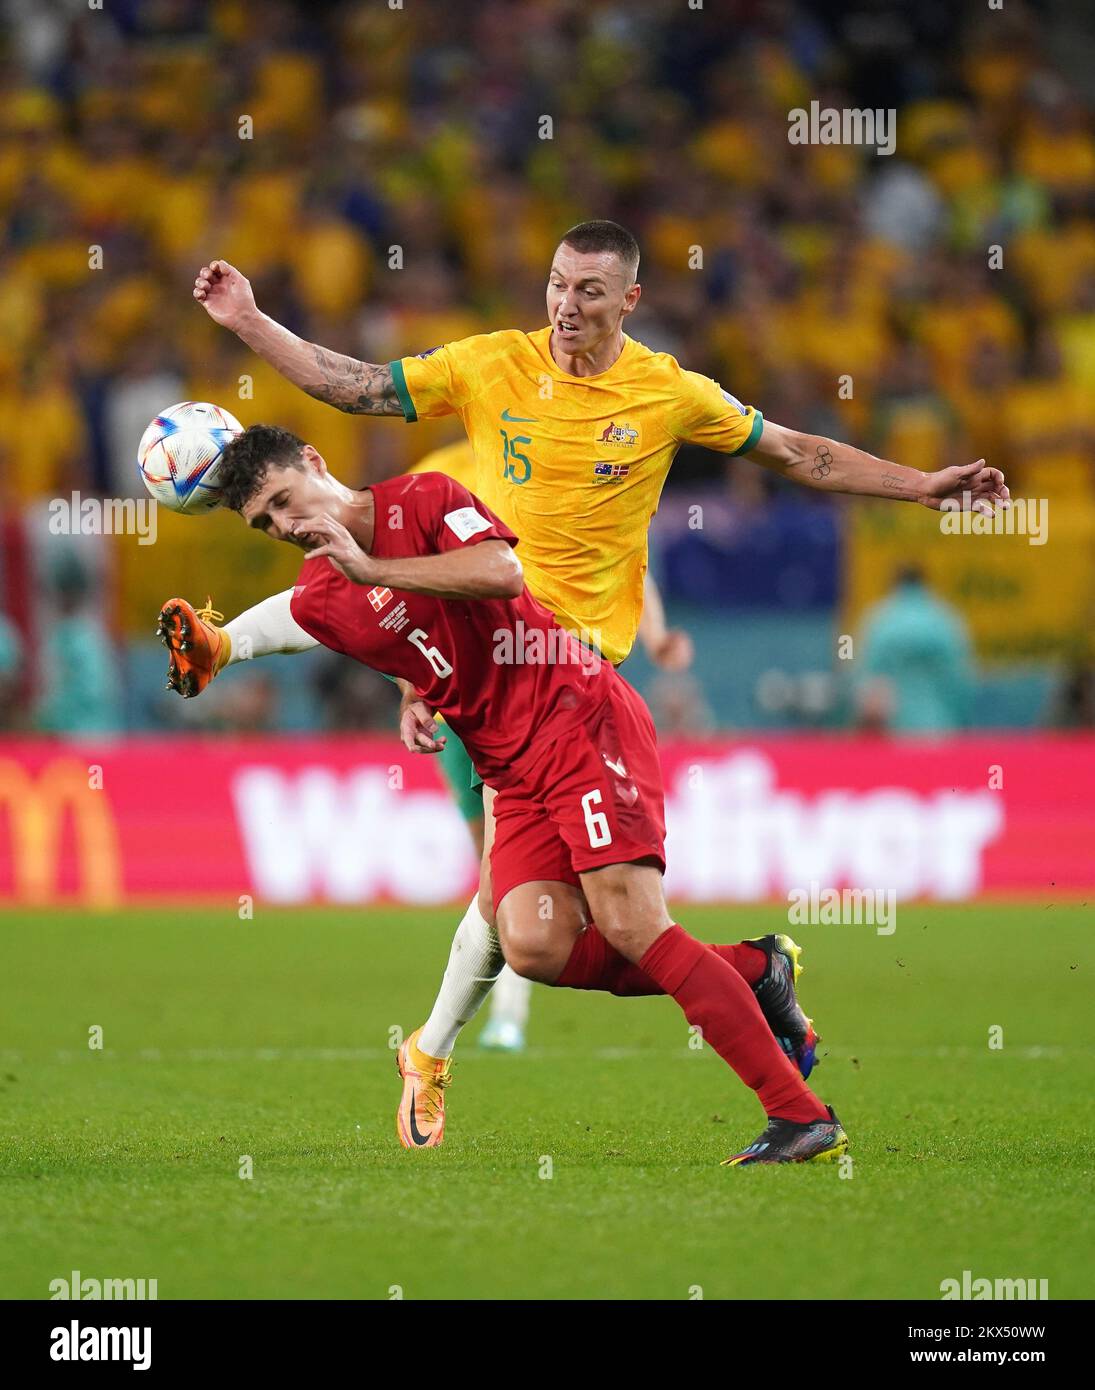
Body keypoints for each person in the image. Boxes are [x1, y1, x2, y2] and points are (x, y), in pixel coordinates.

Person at [192, 219, 1009, 1146]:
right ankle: (745, 975)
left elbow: (796, 454)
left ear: (628, 300)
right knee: (531, 936)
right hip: (489, 681)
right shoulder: (490, 365)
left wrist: (921, 486)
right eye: (553, 284)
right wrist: (252, 323)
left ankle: (760, 1100)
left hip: (574, 684)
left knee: (603, 917)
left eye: (587, 291)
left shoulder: (668, 392)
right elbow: (356, 386)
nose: (564, 306)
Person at [158, 424, 841, 1166]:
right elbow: (292, 621)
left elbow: (498, 571)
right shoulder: (329, 591)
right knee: (534, 946)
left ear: (316, 463)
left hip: (576, 718)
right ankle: (754, 969)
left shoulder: (421, 500)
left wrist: (373, 566)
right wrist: (224, 650)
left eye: (286, 501)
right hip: (507, 768)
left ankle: (798, 1115)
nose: (285, 527)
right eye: (265, 522)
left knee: (630, 923)